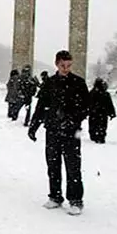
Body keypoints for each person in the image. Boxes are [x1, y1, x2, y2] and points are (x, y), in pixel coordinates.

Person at [28, 50, 89, 216]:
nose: (66, 68)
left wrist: (72, 119)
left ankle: (76, 200)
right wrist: (33, 126)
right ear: (57, 64)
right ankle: (55, 196)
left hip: (71, 131)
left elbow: (86, 107)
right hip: (53, 130)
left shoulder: (78, 83)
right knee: (53, 165)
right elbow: (41, 107)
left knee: (73, 166)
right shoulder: (49, 83)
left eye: (69, 65)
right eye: (63, 65)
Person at [88, 78, 116, 143]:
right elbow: (109, 105)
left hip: (94, 114)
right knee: (102, 126)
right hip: (103, 114)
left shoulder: (92, 93)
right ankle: (101, 136)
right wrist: (112, 113)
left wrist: (87, 111)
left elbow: (88, 103)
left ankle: (94, 136)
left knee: (93, 125)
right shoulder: (105, 94)